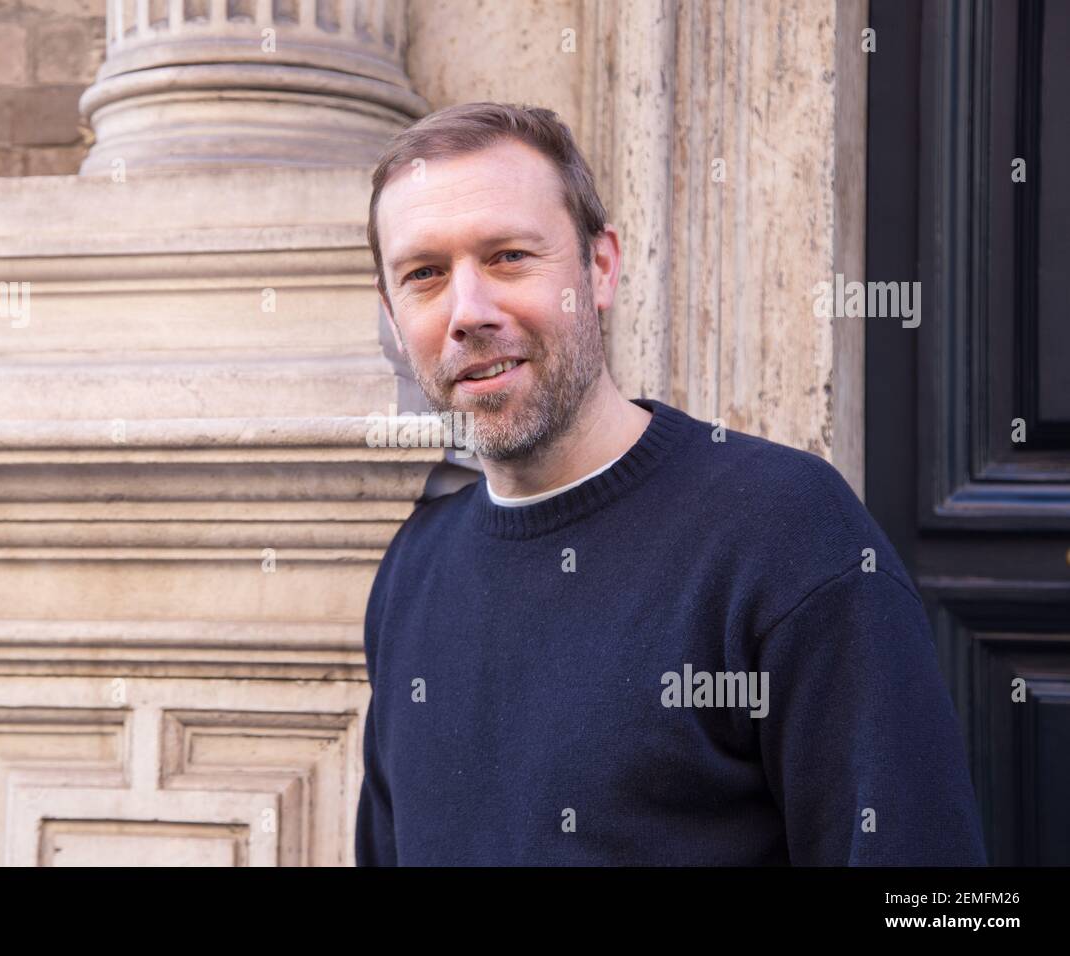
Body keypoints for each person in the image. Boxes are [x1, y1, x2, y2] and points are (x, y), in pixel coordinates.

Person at [354, 101, 987, 866]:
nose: (468, 312)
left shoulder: (786, 534)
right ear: (393, 318)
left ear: (601, 267)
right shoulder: (410, 573)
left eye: (509, 257)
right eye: (425, 275)